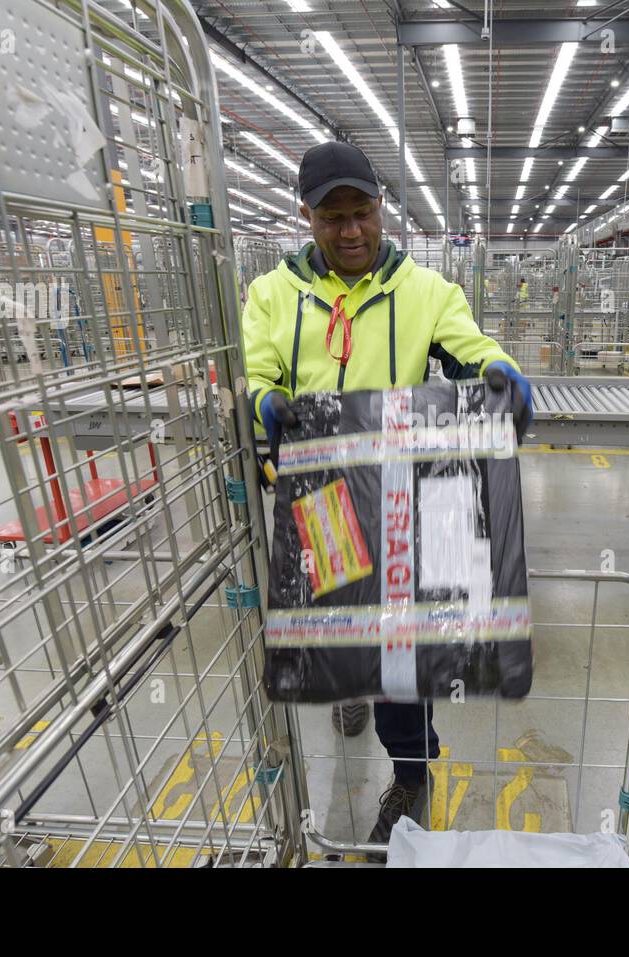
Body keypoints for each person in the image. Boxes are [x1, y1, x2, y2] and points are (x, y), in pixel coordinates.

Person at [239, 141, 533, 843]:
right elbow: (258, 377)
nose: (350, 232)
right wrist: (269, 407)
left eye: (362, 212)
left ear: (381, 208)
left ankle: (408, 770)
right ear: (306, 215)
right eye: (333, 216)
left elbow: (472, 346)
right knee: (340, 633)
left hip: (402, 501)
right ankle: (350, 691)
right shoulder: (273, 296)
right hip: (321, 503)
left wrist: (506, 374)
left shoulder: (425, 292)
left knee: (404, 658)